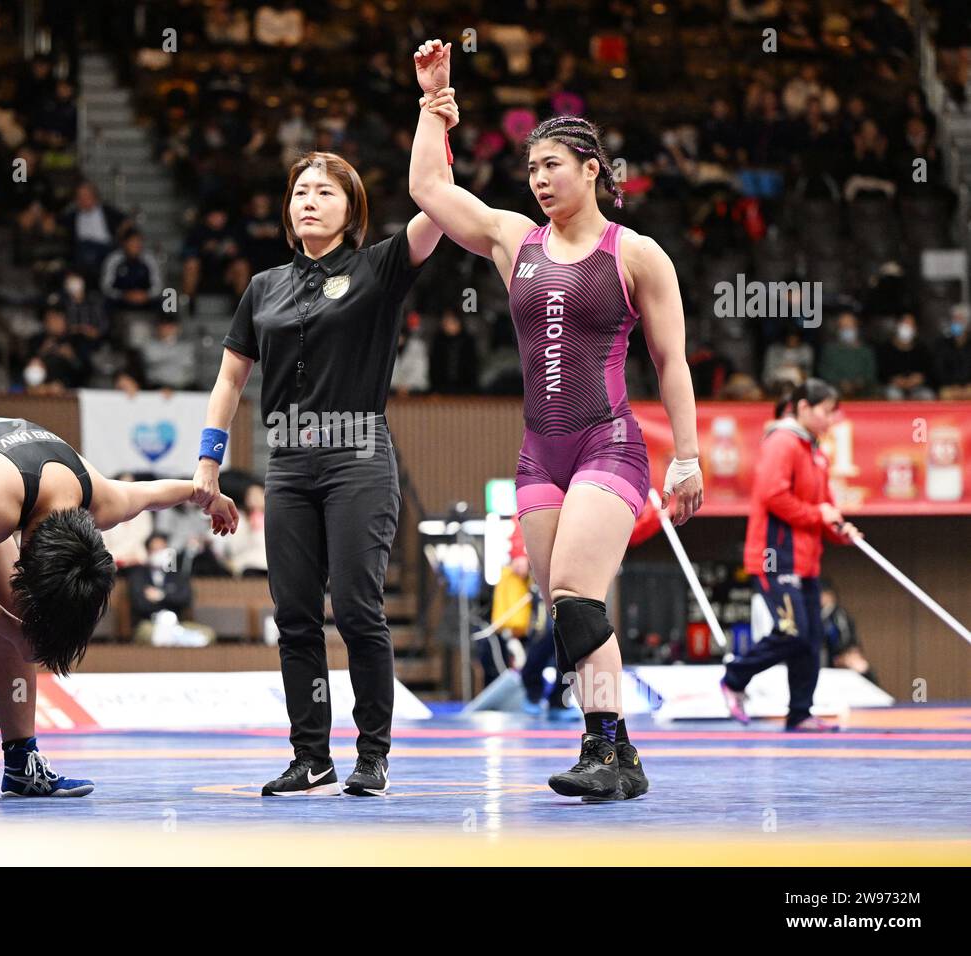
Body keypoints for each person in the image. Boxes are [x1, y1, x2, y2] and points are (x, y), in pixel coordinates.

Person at [409, 40, 704, 801]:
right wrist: (434, 104)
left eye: (553, 167)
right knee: (567, 607)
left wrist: (689, 457)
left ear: (592, 170)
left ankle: (604, 746)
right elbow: (427, 187)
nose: (539, 180)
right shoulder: (515, 240)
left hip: (609, 442)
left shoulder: (635, 254)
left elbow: (672, 363)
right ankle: (616, 752)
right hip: (540, 454)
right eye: (531, 170)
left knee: (574, 586)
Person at [192, 148, 446, 797]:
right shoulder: (264, 287)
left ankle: (372, 755)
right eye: (300, 191)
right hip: (287, 463)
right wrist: (208, 460)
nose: (308, 200)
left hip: (358, 456)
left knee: (359, 609)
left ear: (351, 209)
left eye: (325, 192)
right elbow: (228, 379)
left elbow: (437, 208)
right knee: (296, 616)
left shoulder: (378, 268)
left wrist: (435, 113)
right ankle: (311, 757)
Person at [0, 415, 238, 801]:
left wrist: (204, 495)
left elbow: (150, 493)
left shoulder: (100, 499)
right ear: (31, 552)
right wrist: (13, 632)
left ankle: (21, 763)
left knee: (25, 617)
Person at [720, 379, 862, 731]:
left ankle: (799, 713)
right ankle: (734, 679)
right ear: (802, 408)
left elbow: (823, 506)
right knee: (792, 632)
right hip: (775, 556)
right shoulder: (783, 442)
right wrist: (819, 516)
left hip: (806, 559)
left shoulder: (816, 451)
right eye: (826, 411)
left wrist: (839, 529)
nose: (832, 419)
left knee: (811, 638)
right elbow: (773, 496)